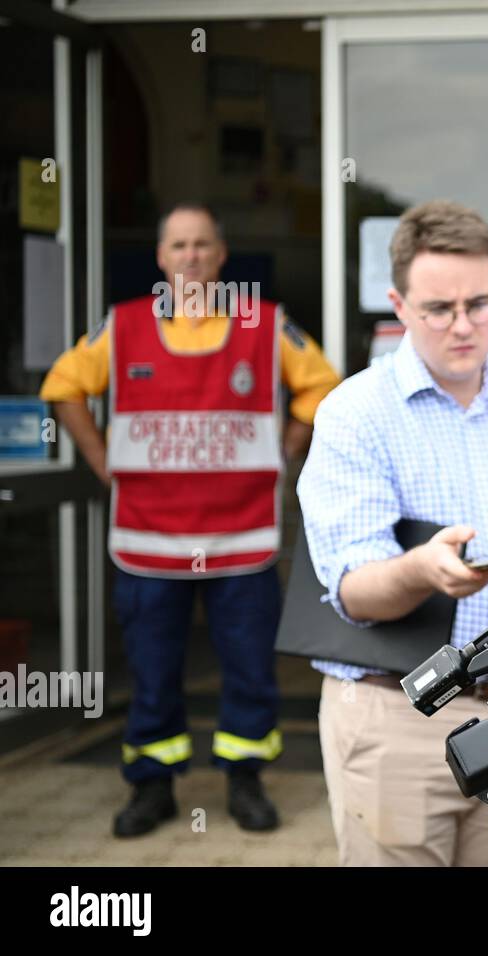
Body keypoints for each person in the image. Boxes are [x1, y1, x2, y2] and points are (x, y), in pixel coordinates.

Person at [40, 201, 341, 836]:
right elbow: (63, 386)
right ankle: (151, 788)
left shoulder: (265, 324)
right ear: (160, 258)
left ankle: (245, 781)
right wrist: (102, 463)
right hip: (149, 539)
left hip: (242, 537)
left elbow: (322, 387)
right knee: (152, 669)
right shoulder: (122, 327)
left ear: (222, 255)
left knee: (249, 667)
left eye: (202, 245)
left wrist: (285, 448)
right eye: (179, 246)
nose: (192, 257)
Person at [298, 199, 488, 866]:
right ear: (398, 305)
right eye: (438, 309)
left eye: (480, 304)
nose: (463, 326)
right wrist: (422, 570)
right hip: (396, 715)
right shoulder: (354, 415)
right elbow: (353, 592)